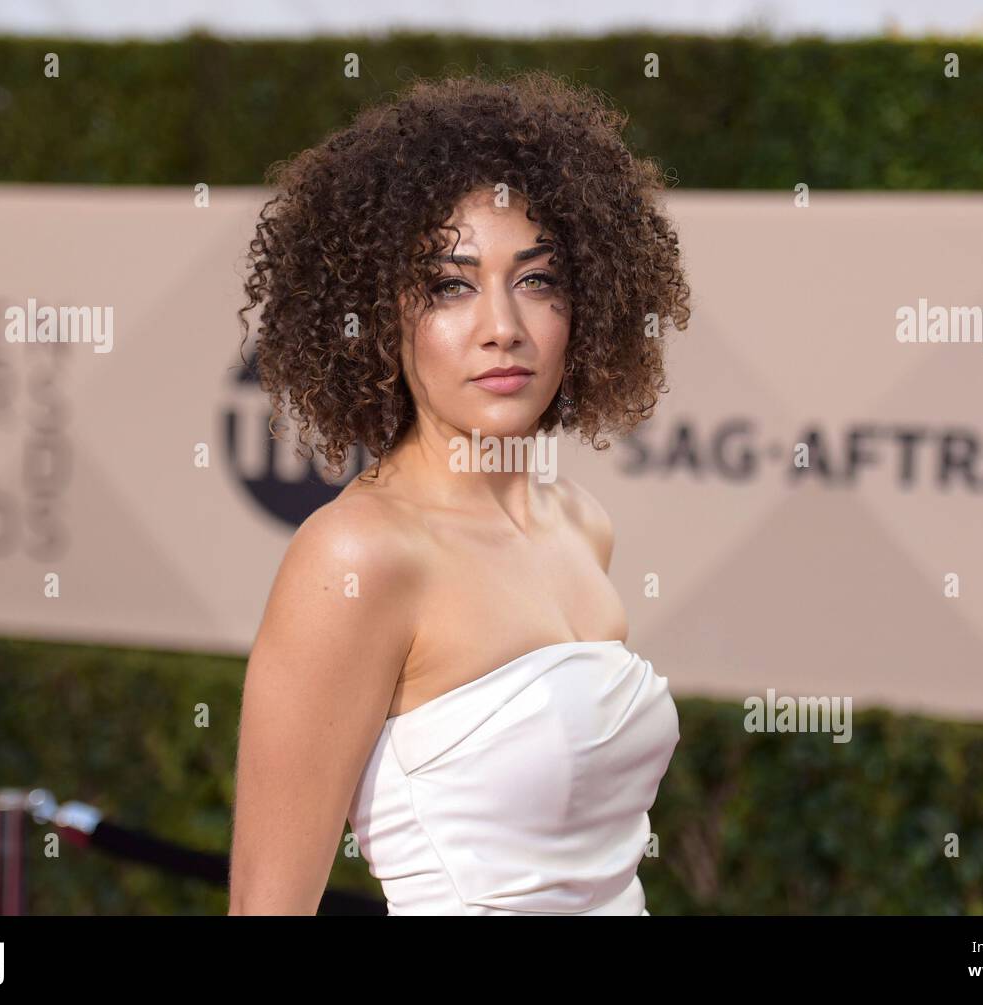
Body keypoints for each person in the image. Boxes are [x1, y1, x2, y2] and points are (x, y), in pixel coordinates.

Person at [228, 69, 691, 915]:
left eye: (538, 279)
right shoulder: (356, 555)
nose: (502, 325)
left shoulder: (581, 526)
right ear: (375, 311)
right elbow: (268, 906)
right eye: (451, 284)